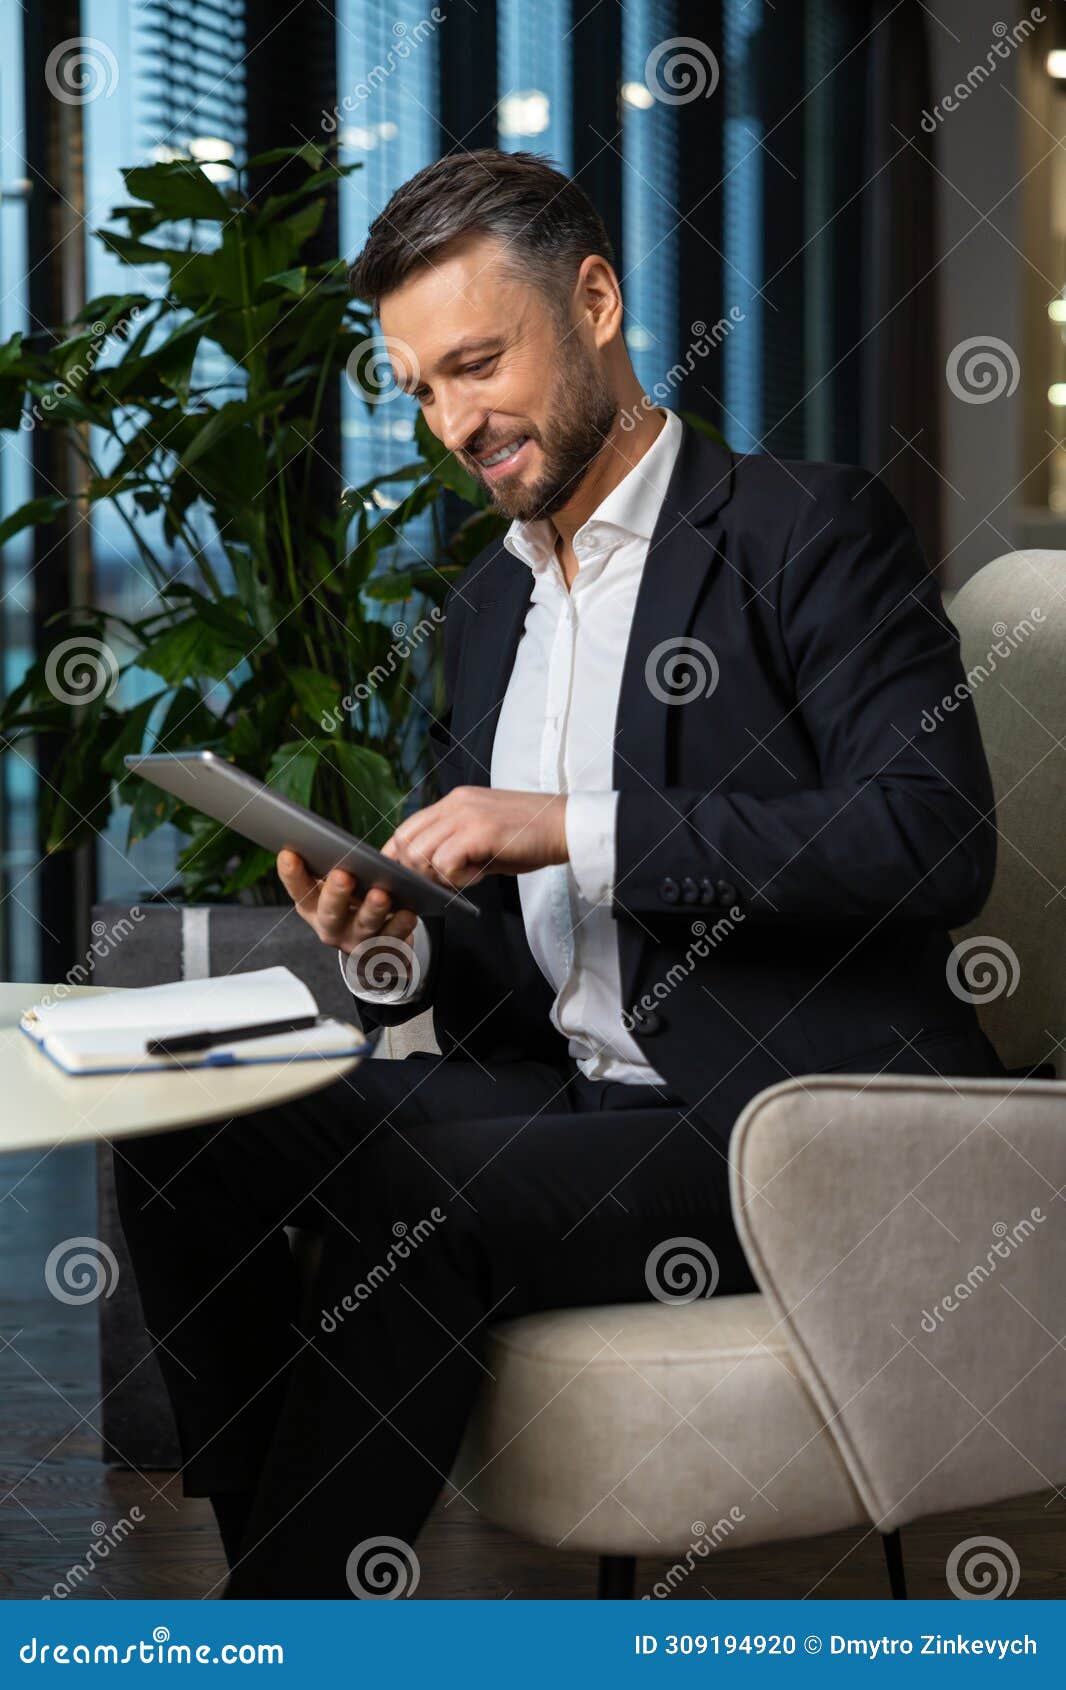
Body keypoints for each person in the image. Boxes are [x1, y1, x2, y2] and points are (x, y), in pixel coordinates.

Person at [113, 149, 1003, 1599]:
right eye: (418, 389)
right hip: (563, 1096)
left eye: (476, 362)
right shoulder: (483, 608)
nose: (455, 421)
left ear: (593, 300)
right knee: (187, 1110)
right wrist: (385, 935)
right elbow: (507, 960)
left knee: (424, 1201)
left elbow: (929, 838)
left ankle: (285, 1613)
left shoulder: (808, 531)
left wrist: (565, 821)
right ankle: (270, 1567)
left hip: (781, 1127)